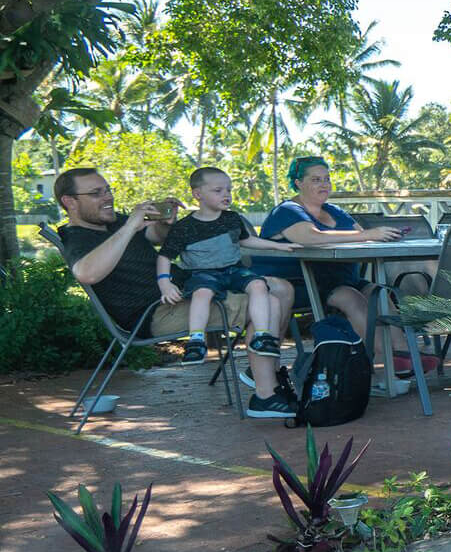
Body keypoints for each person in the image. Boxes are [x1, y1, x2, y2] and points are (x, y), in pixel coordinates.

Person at [53, 167, 296, 418]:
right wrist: (129, 228)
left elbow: (155, 237)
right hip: (156, 312)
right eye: (96, 193)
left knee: (282, 288)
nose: (107, 197)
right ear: (69, 201)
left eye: (108, 190)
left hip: (191, 289)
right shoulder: (77, 236)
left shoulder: (117, 222)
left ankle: (262, 373)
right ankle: (266, 397)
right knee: (268, 301)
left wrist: (164, 223)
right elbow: (87, 273)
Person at [252, 157, 405, 365]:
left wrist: (378, 235)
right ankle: (384, 361)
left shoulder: (333, 210)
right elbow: (312, 237)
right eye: (316, 180)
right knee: (350, 297)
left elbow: (362, 237)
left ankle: (405, 356)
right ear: (298, 183)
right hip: (299, 284)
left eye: (326, 179)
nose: (324, 184)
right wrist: (369, 234)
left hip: (338, 279)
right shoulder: (287, 211)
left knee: (378, 293)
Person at [156, 167, 299, 364]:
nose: (226, 194)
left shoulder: (232, 218)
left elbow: (245, 240)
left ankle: (262, 335)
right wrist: (165, 283)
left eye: (229, 190)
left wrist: (278, 246)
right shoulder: (183, 228)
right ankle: (196, 341)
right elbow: (164, 257)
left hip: (233, 269)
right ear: (198, 194)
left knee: (258, 285)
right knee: (202, 293)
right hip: (202, 273)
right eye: (218, 191)